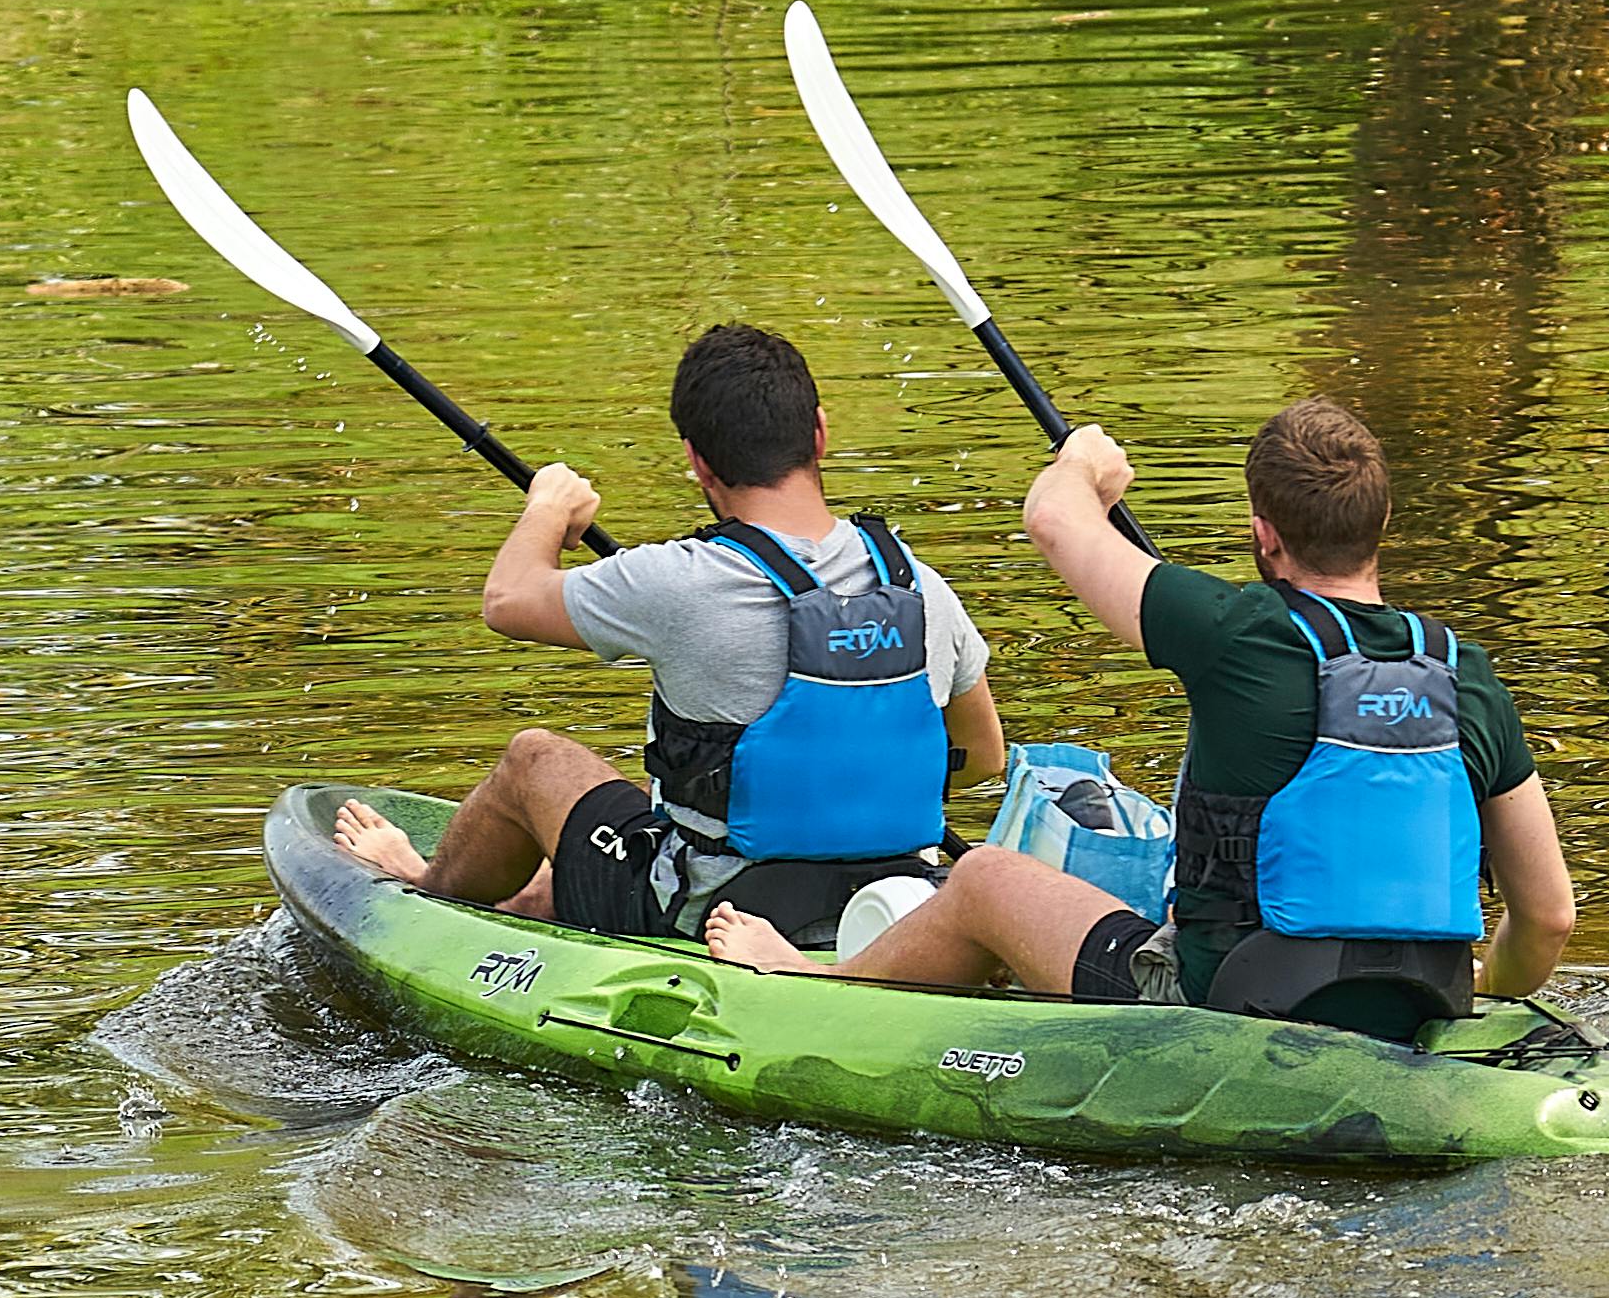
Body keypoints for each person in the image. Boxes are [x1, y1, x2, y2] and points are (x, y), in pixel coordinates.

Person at [709, 389, 1574, 1033]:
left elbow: (1054, 519)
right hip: (1427, 995)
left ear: (1263, 533)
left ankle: (805, 981)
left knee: (984, 880)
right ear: (1380, 525)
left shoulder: (1235, 631)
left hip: (1231, 1001)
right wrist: (1487, 985)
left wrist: (1086, 465)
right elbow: (1548, 917)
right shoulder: (1468, 675)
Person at [329, 322, 1118, 969]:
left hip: (719, 913)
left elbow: (507, 600)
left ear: (698, 463)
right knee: (600, 845)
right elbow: (981, 756)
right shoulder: (920, 586)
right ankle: (538, 893)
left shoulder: (674, 581)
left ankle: (425, 883)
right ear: (820, 434)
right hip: (902, 900)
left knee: (537, 759)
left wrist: (548, 507)